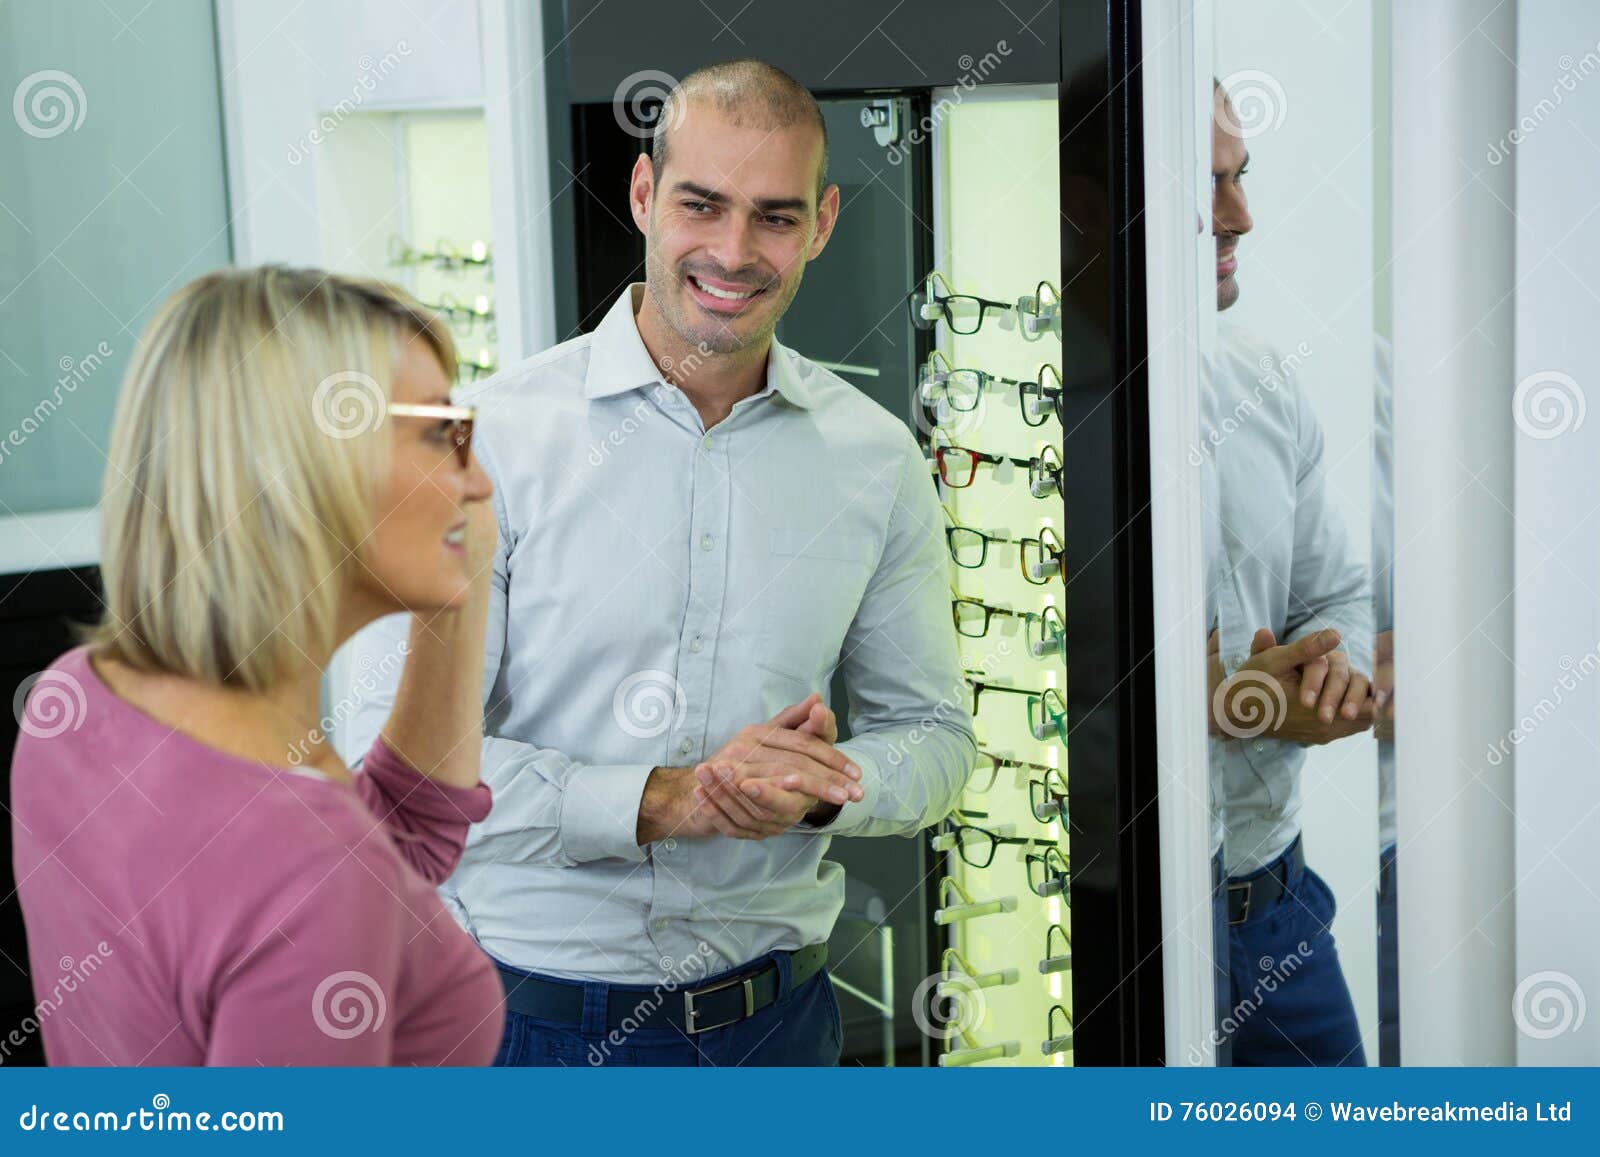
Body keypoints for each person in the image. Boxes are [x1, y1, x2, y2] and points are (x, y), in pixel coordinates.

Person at [345, 58, 974, 1067]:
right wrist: (668, 797)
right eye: (700, 205)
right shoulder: (487, 443)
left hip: (781, 1036)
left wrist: (822, 782)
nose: (732, 251)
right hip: (524, 1034)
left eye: (774, 216)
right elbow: (393, 764)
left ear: (820, 224)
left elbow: (940, 740)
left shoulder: (876, 459)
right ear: (644, 197)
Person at [10, 266, 506, 1065]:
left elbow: (392, 860)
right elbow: (339, 884)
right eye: (438, 432)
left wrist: (462, 578)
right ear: (307, 463)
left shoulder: (73, 700)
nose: (478, 480)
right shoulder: (309, 867)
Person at [1204, 78, 1377, 1066]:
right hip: (1137, 927)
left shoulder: (1261, 380)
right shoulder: (1061, 411)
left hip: (1278, 916)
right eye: (1211, 186)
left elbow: (1337, 595)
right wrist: (1213, 701)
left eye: (1241, 178)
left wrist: (1326, 677)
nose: (1241, 217)